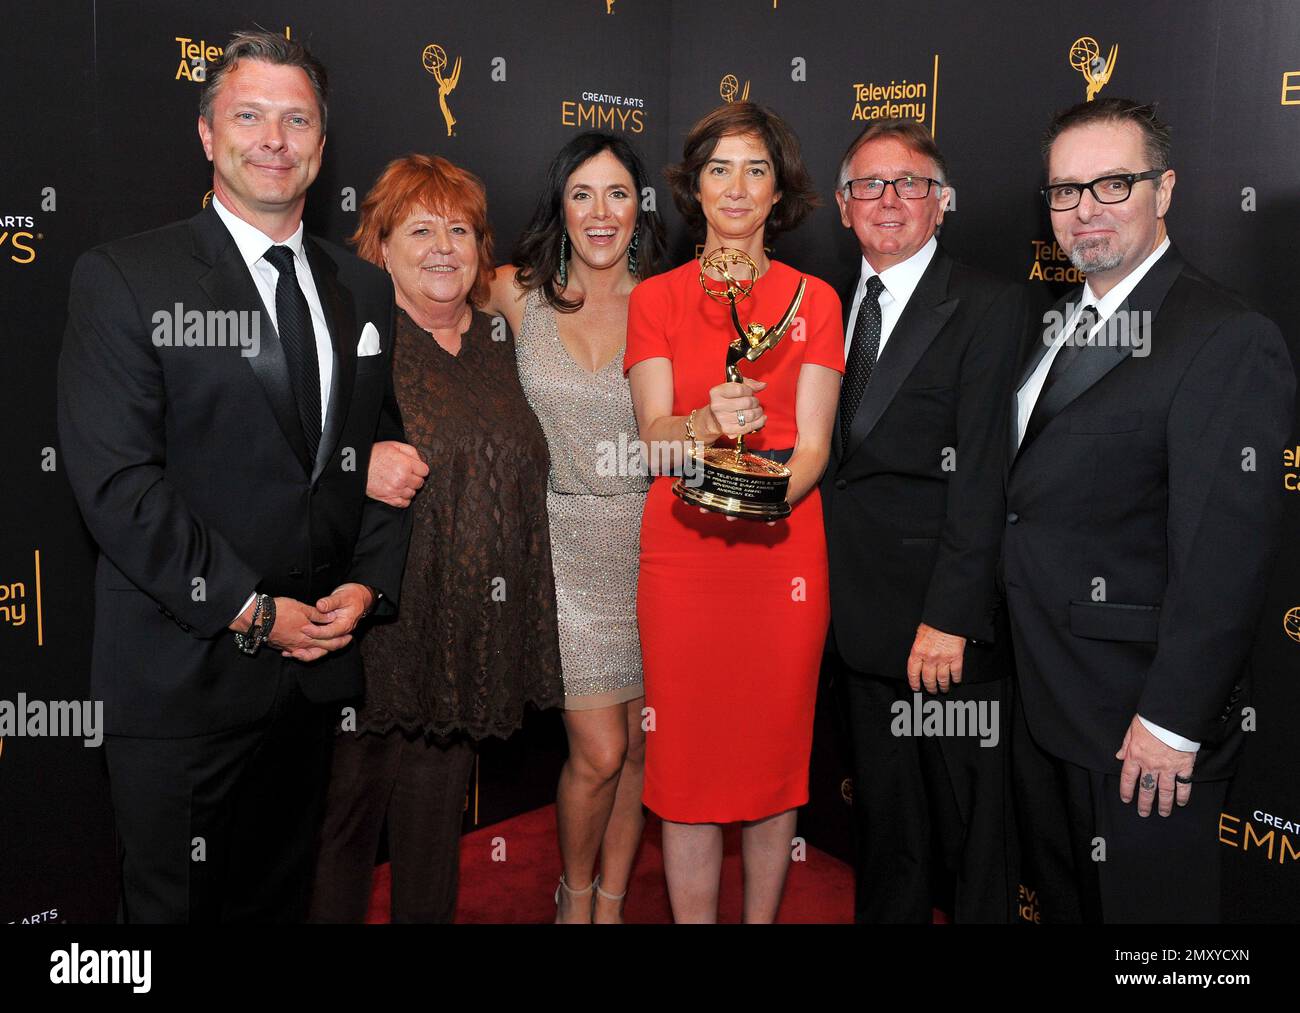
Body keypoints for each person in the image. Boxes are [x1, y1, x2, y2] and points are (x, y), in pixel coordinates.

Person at [55, 31, 410, 922]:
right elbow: (119, 487)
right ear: (208, 135)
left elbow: (377, 450)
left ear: (323, 147)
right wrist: (256, 612)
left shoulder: (361, 290)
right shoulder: (126, 278)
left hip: (311, 680)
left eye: (297, 120)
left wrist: (367, 583)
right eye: (248, 115)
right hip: (183, 678)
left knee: (281, 897)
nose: (274, 138)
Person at [1005, 97, 1294, 922]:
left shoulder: (1224, 335)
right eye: (1064, 191)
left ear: (1163, 191)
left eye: (1112, 183)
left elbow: (1225, 557)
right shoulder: (1061, 319)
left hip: (1139, 725)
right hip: (1045, 697)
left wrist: (1170, 721)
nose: (1084, 208)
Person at [309, 154, 564, 923]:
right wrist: (354, 471)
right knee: (344, 829)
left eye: (459, 228)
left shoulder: (501, 337)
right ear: (379, 245)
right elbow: (275, 457)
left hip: (466, 635)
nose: (443, 246)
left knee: (431, 836)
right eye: (418, 229)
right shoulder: (349, 338)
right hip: (374, 632)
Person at [624, 102, 844, 923]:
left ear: (779, 187)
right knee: (682, 766)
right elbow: (653, 441)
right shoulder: (657, 300)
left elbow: (814, 445)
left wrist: (759, 500)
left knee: (773, 757)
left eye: (756, 168)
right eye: (719, 168)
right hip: (682, 556)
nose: (738, 187)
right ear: (694, 185)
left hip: (783, 551)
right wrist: (704, 424)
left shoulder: (814, 300)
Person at [821, 119, 1030, 923]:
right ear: (843, 206)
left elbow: (984, 474)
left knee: (973, 838)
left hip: (942, 636)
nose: (889, 200)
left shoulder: (988, 305)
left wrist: (948, 616)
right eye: (869, 185)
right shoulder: (824, 306)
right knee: (888, 830)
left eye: (911, 184)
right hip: (858, 629)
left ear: (941, 203)